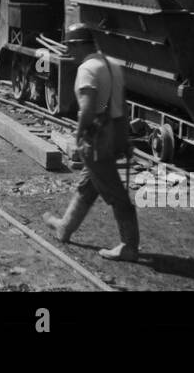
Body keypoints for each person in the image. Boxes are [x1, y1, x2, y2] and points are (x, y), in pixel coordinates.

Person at [42, 23, 140, 261]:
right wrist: (125, 140)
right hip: (115, 134)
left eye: (70, 47)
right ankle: (65, 227)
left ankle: (129, 245)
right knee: (89, 184)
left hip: (97, 140)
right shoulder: (112, 66)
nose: (68, 53)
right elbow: (122, 107)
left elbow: (87, 108)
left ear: (80, 45)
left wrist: (78, 135)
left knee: (116, 193)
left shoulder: (87, 69)